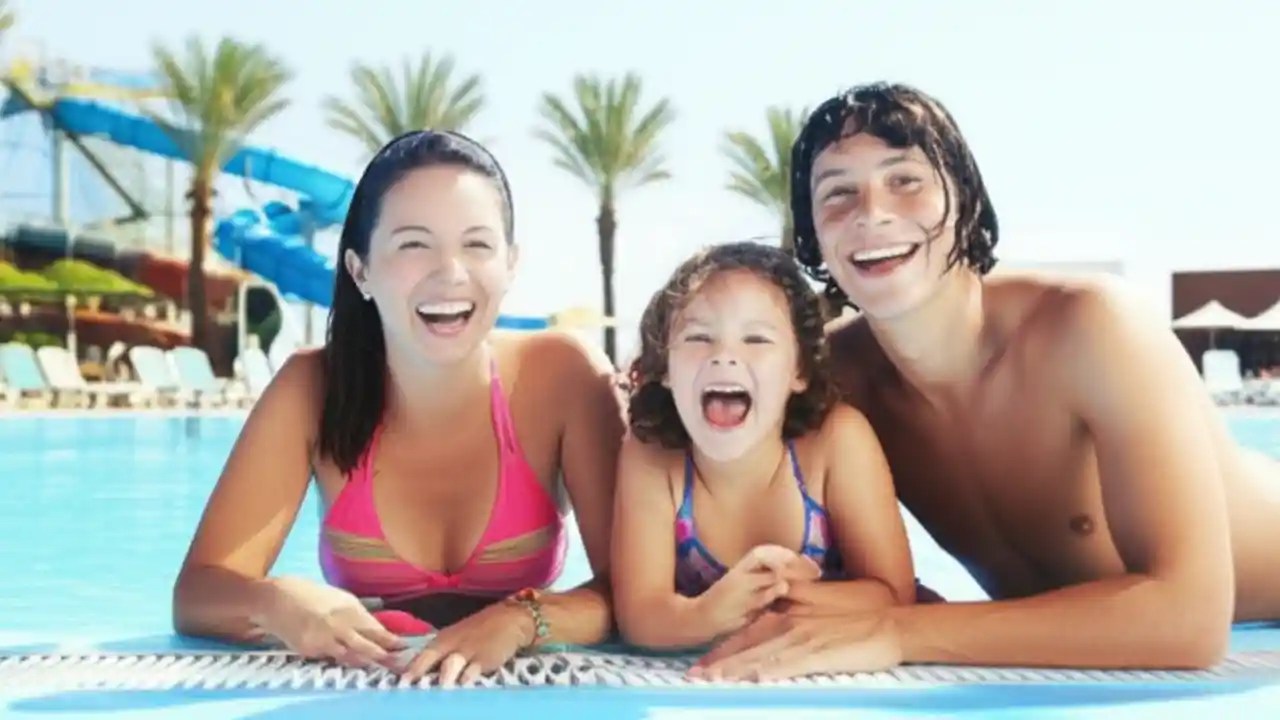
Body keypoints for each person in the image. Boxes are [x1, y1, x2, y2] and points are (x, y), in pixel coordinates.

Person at [691, 82, 1280, 682]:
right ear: (812, 234)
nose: (871, 213)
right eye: (838, 193)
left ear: (964, 198)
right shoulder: (838, 381)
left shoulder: (1091, 328)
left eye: (905, 180)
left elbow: (1189, 619)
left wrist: (898, 631)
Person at [172, 130, 625, 688]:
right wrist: (277, 601)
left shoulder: (565, 377)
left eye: (477, 245)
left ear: (511, 264)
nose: (450, 272)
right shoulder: (312, 389)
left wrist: (521, 620)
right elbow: (198, 592)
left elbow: (635, 596)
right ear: (360, 270)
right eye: (414, 245)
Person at [610, 241, 916, 651]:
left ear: (799, 369)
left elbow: (894, 595)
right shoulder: (652, 455)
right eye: (699, 337)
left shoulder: (835, 443)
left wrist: (775, 594)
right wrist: (709, 613)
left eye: (756, 338)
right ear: (664, 366)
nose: (724, 356)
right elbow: (641, 619)